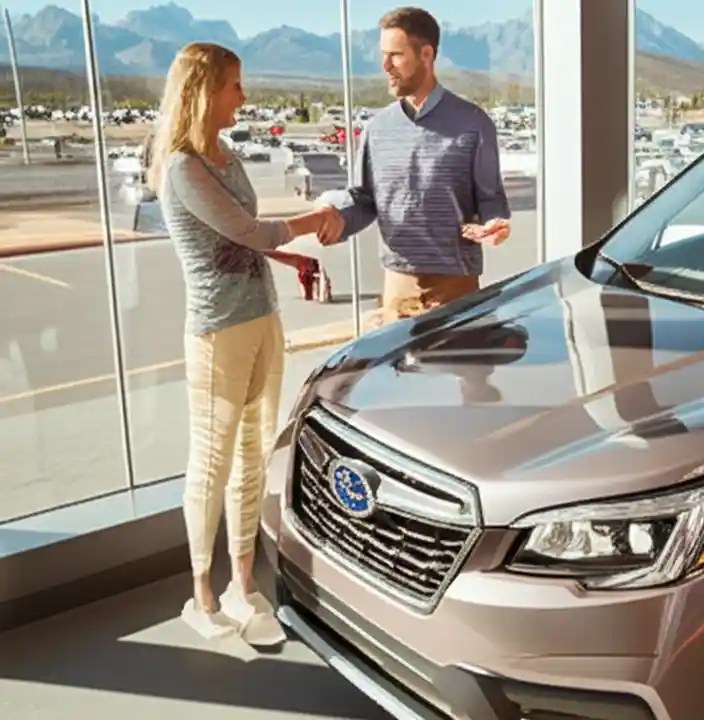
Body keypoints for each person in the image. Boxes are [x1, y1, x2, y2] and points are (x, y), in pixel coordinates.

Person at [150, 42, 338, 644]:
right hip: (218, 330)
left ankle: (242, 582)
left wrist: (289, 256)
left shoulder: (225, 155)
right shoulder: (181, 166)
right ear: (205, 91)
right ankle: (201, 593)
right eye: (235, 85)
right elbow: (246, 229)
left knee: (253, 455)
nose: (244, 96)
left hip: (262, 318)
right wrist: (316, 218)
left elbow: (248, 242)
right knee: (212, 459)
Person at [315, 6, 511, 326]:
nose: (384, 66)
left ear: (426, 54)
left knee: (458, 375)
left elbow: (490, 197)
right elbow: (364, 200)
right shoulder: (376, 129)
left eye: (395, 55)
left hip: (456, 288)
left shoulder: (474, 124)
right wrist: (332, 217)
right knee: (399, 377)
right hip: (397, 288)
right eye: (383, 55)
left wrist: (495, 224)